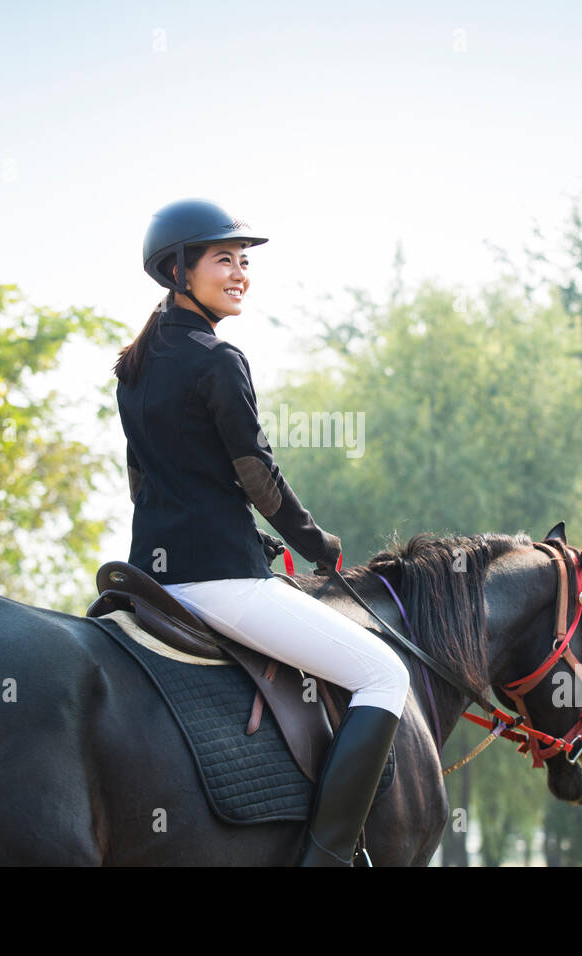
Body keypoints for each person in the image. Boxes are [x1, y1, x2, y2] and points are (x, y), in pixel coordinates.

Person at [112, 198, 410, 866]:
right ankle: (327, 858)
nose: (240, 272)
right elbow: (257, 476)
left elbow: (141, 482)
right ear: (178, 269)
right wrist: (317, 545)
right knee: (385, 675)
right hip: (220, 580)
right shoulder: (219, 360)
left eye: (244, 262)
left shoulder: (132, 369)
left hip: (150, 581)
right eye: (224, 259)